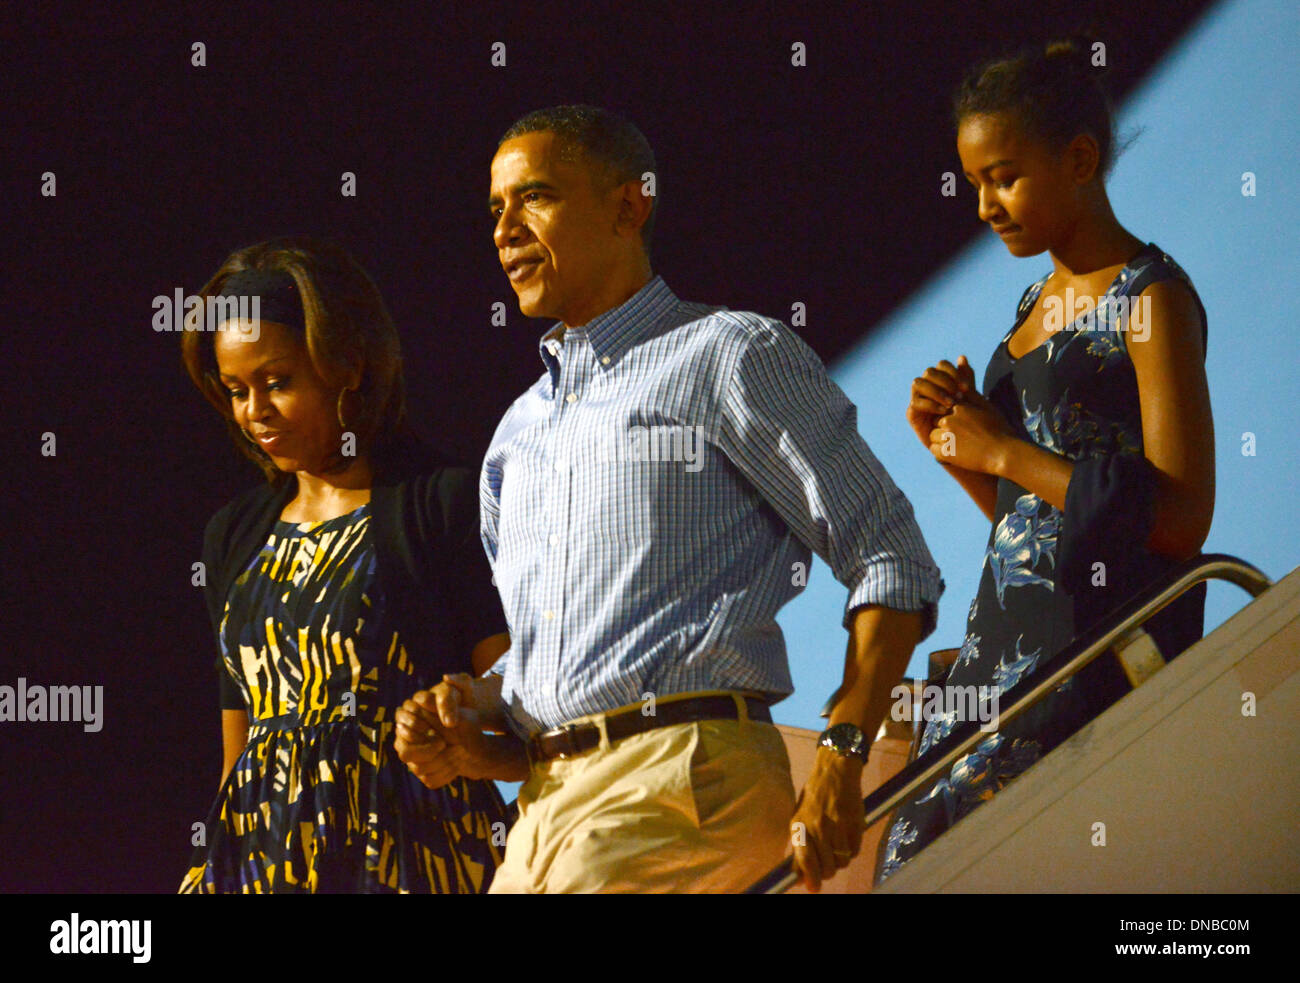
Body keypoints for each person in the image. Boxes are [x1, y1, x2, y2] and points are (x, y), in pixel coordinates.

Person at [394, 105, 944, 893]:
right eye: (495, 209)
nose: (504, 230)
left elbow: (890, 553)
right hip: (546, 813)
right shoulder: (515, 438)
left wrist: (843, 750)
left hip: (685, 785)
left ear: (629, 205)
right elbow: (569, 668)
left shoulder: (728, 354)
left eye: (535, 197)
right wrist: (483, 730)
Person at [879, 39, 1215, 882]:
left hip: (1086, 656)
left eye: (1004, 176)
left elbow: (1178, 519)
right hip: (996, 652)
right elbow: (1036, 525)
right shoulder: (1029, 305)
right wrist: (962, 451)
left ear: (1077, 159)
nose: (985, 204)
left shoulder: (1150, 297)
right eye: (974, 183)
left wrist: (1004, 447)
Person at [178, 235, 511, 893]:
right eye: (237, 390)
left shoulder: (440, 503)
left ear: (349, 365)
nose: (255, 413)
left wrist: (452, 725)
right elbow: (239, 747)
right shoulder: (233, 534)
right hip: (260, 864)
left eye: (278, 382)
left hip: (412, 853)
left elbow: (513, 692)